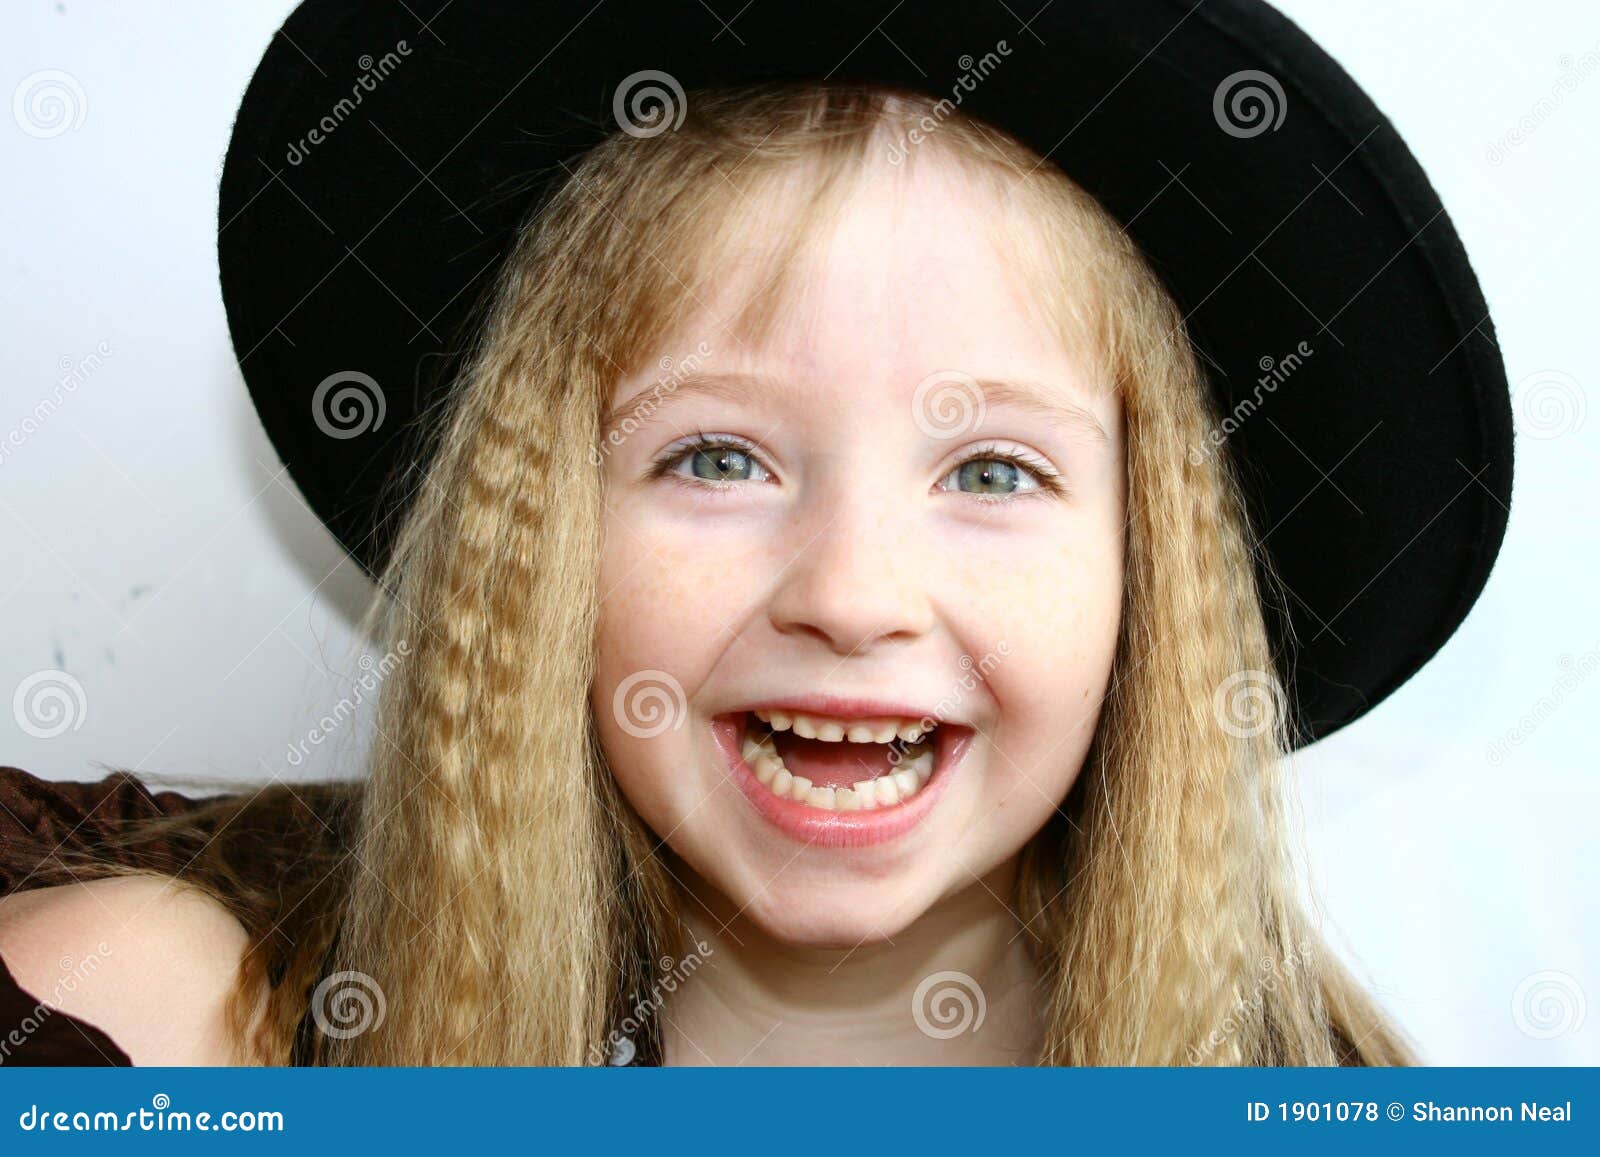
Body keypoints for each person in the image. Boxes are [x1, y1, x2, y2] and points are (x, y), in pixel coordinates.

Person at [0, 1, 1512, 1068]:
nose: (852, 595)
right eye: (716, 455)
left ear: (1149, 574)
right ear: (541, 544)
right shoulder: (167, 1038)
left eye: (992, 472)